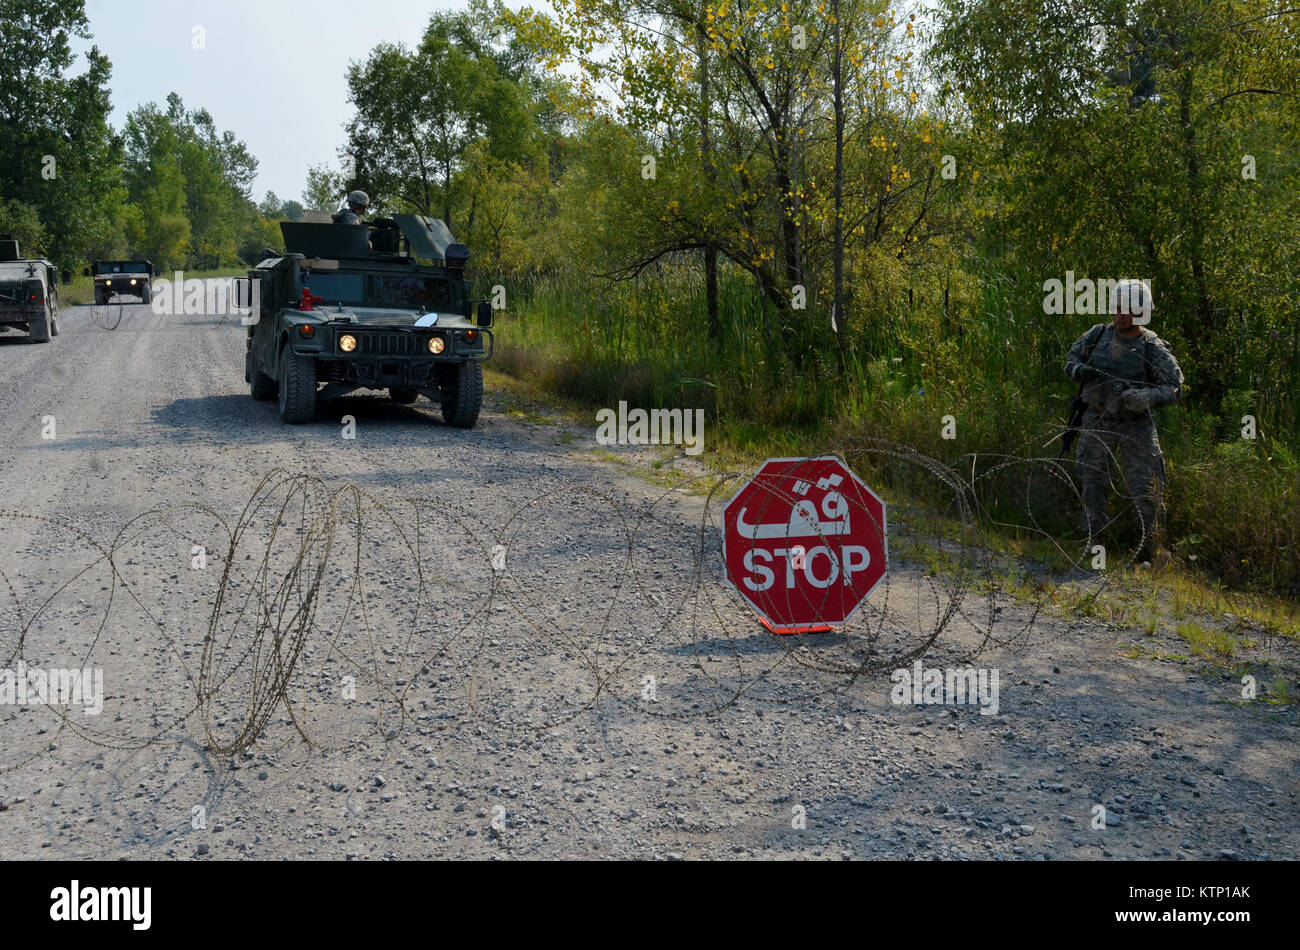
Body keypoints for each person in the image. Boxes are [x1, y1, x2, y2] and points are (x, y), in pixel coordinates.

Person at [1063, 279, 1184, 566]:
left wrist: (1147, 396)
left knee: (1147, 488)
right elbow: (1070, 358)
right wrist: (1082, 371)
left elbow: (1175, 387)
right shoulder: (1097, 334)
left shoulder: (1151, 346)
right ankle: (1095, 544)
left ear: (1141, 311)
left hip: (1136, 425)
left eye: (1127, 309)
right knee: (1092, 480)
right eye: (1116, 308)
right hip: (1098, 419)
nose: (1119, 315)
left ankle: (1150, 552)